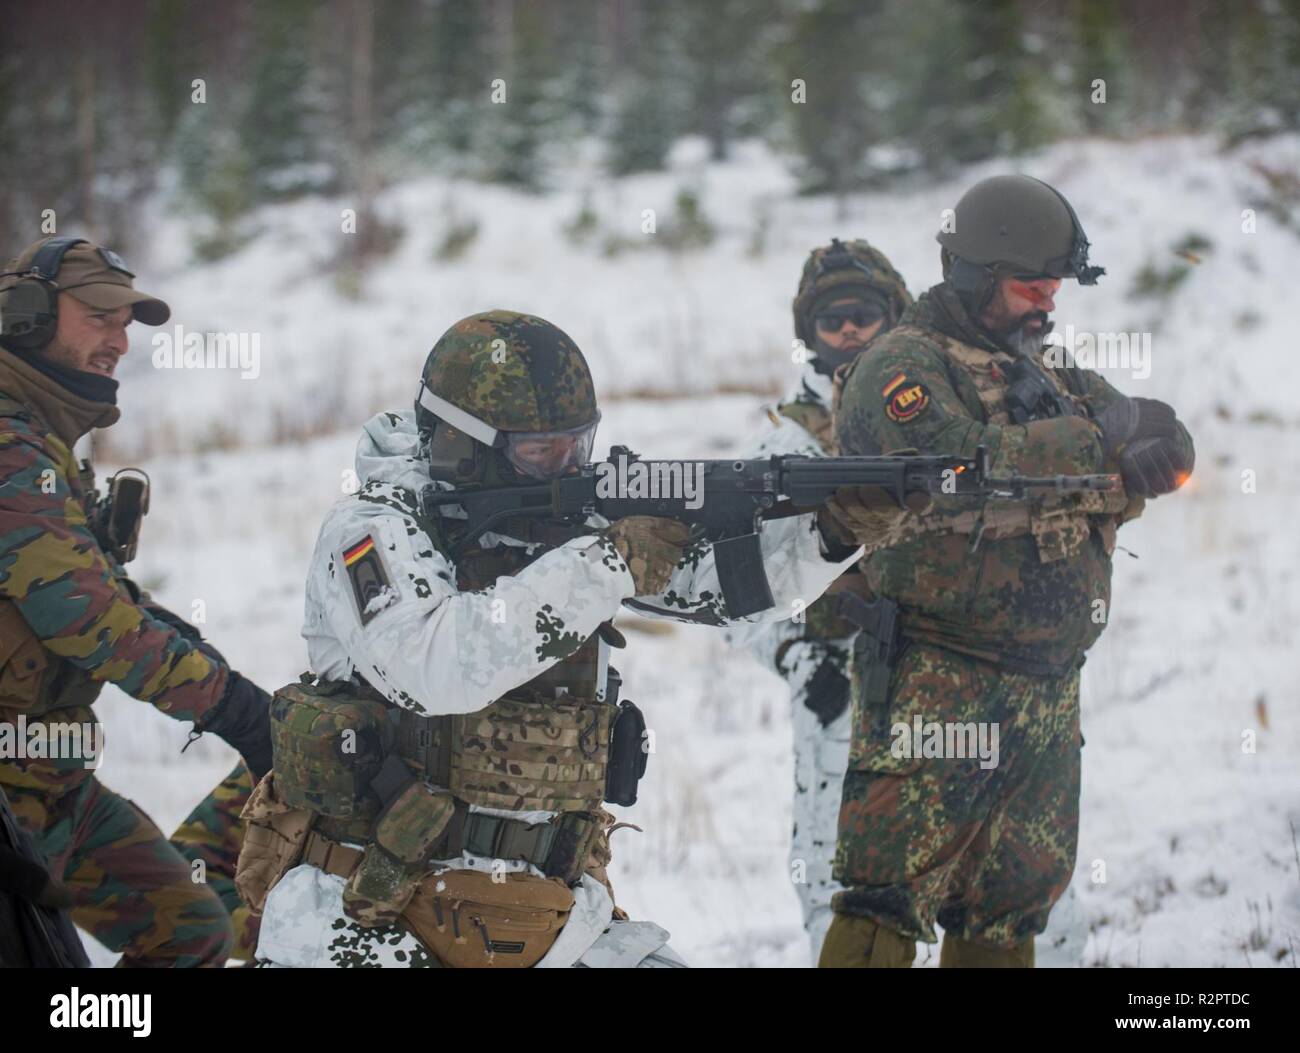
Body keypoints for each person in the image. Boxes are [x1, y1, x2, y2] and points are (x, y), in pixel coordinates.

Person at [242, 309, 907, 968]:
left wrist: (834, 535)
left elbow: (729, 592)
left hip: (547, 913)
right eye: (541, 452)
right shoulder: (371, 530)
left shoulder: (564, 518)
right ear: (463, 444)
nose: (566, 467)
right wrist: (607, 563)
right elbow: (435, 665)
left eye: (577, 445)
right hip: (371, 912)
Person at [824, 176, 1195, 968]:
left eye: (1056, 285)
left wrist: (1125, 446)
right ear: (973, 273)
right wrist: (1101, 449)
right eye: (1032, 283)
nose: (1047, 301)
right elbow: (958, 470)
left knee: (1007, 910)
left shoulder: (1044, 366)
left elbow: (1158, 438)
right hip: (938, 684)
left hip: (1048, 693)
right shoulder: (899, 365)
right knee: (885, 903)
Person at [0, 236, 271, 966]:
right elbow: (86, 618)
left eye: (126, 323)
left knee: (188, 930)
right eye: (98, 317)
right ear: (24, 316)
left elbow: (105, 593)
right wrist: (230, 705)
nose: (119, 340)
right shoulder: (7, 447)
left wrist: (203, 659)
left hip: (50, 787)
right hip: (5, 804)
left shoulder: (42, 443)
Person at [727, 238, 910, 962]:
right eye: (830, 321)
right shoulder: (784, 445)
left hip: (948, 673)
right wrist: (796, 657)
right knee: (837, 885)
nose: (849, 332)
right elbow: (731, 587)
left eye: (864, 314)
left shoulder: (939, 423)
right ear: (809, 335)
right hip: (837, 683)